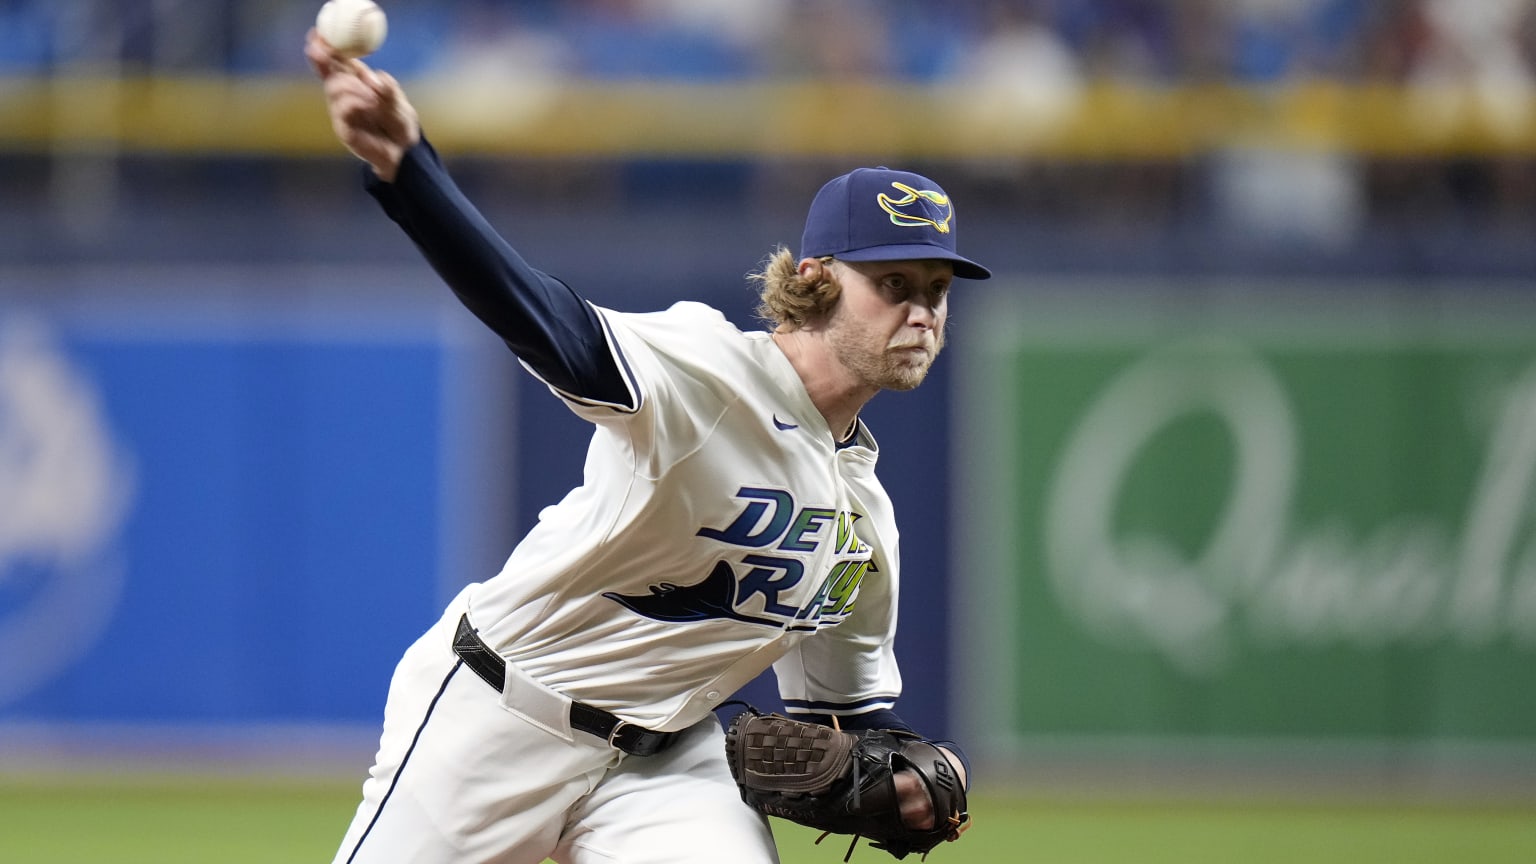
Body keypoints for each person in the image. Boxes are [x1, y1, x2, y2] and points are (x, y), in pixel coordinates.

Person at [306, 27, 989, 864]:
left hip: (664, 763)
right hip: (498, 713)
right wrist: (412, 174)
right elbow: (542, 320)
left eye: (936, 292)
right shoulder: (708, 373)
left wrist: (907, 777)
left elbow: (840, 721)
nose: (921, 313)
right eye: (893, 285)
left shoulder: (866, 524)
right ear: (814, 277)